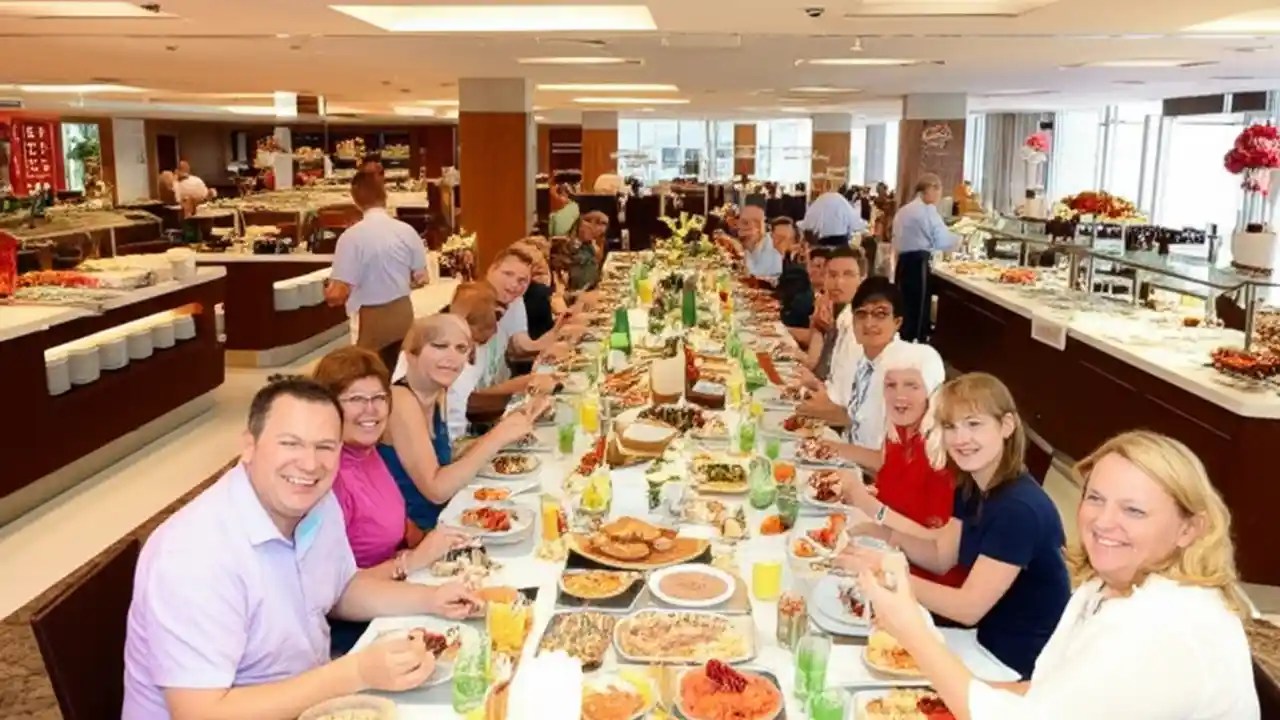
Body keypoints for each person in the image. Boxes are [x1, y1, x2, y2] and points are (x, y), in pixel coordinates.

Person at [123, 378, 481, 720]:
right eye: (290, 443)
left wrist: (430, 599)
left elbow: (341, 590)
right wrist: (355, 672)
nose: (309, 464)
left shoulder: (318, 503)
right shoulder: (195, 554)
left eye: (325, 446)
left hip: (311, 699)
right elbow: (200, 712)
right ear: (249, 445)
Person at [855, 430, 1259, 719]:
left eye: (1133, 510)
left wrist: (911, 629)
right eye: (1095, 499)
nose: (1103, 522)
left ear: (1189, 528)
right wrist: (925, 699)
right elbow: (1048, 693)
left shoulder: (1162, 625)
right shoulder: (1110, 583)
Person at [838, 373, 1070, 678]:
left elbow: (967, 607)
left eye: (974, 424)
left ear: (1007, 426)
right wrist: (880, 533)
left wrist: (884, 570)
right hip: (981, 637)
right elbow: (941, 559)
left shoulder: (1019, 509)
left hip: (1013, 663)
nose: (961, 439)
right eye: (950, 427)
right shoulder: (971, 485)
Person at [311, 346, 473, 653]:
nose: (370, 410)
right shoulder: (329, 480)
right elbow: (334, 597)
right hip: (360, 630)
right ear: (327, 407)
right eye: (356, 399)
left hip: (399, 591)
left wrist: (432, 541)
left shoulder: (368, 453)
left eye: (379, 398)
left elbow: (392, 523)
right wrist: (410, 562)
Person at [818, 342, 967, 587]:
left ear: (931, 391)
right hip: (888, 547)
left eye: (912, 386)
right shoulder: (899, 430)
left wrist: (869, 504)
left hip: (923, 579)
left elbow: (938, 549)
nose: (900, 395)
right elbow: (886, 466)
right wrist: (833, 449)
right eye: (891, 385)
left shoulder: (942, 452)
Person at [382, 314, 547, 530]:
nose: (453, 357)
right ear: (411, 355)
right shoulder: (400, 402)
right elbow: (437, 490)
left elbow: (448, 459)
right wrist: (498, 437)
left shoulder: (437, 392)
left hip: (451, 515)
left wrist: (510, 423)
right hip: (422, 535)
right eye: (440, 346)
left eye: (461, 349)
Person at [326, 170, 426, 372]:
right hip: (403, 314)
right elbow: (422, 278)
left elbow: (338, 293)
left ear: (355, 200)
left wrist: (328, 294)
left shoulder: (351, 237)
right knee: (400, 372)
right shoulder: (406, 230)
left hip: (370, 320)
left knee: (370, 374)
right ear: (385, 196)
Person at [799, 276, 905, 449]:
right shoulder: (865, 360)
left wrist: (804, 409)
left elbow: (855, 423)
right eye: (862, 315)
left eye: (880, 314)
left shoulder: (898, 371)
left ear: (897, 322)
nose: (870, 323)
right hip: (847, 450)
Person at [893, 173, 959, 343]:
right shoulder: (927, 211)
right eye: (939, 191)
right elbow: (941, 240)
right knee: (918, 307)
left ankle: (903, 339)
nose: (939, 197)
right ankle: (916, 342)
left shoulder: (904, 210)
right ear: (930, 189)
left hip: (902, 262)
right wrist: (959, 239)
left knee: (904, 304)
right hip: (918, 262)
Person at [800, 245, 865, 381]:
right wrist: (818, 327)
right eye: (832, 275)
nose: (838, 282)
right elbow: (815, 366)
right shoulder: (834, 312)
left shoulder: (859, 324)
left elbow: (834, 387)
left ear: (863, 280)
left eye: (848, 275)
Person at [802, 188, 868, 247]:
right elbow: (855, 224)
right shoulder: (842, 201)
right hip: (841, 243)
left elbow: (808, 225)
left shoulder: (820, 201)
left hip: (823, 242)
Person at [738, 204, 783, 280]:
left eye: (745, 223)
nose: (740, 227)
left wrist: (740, 253)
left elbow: (754, 276)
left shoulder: (773, 246)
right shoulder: (749, 243)